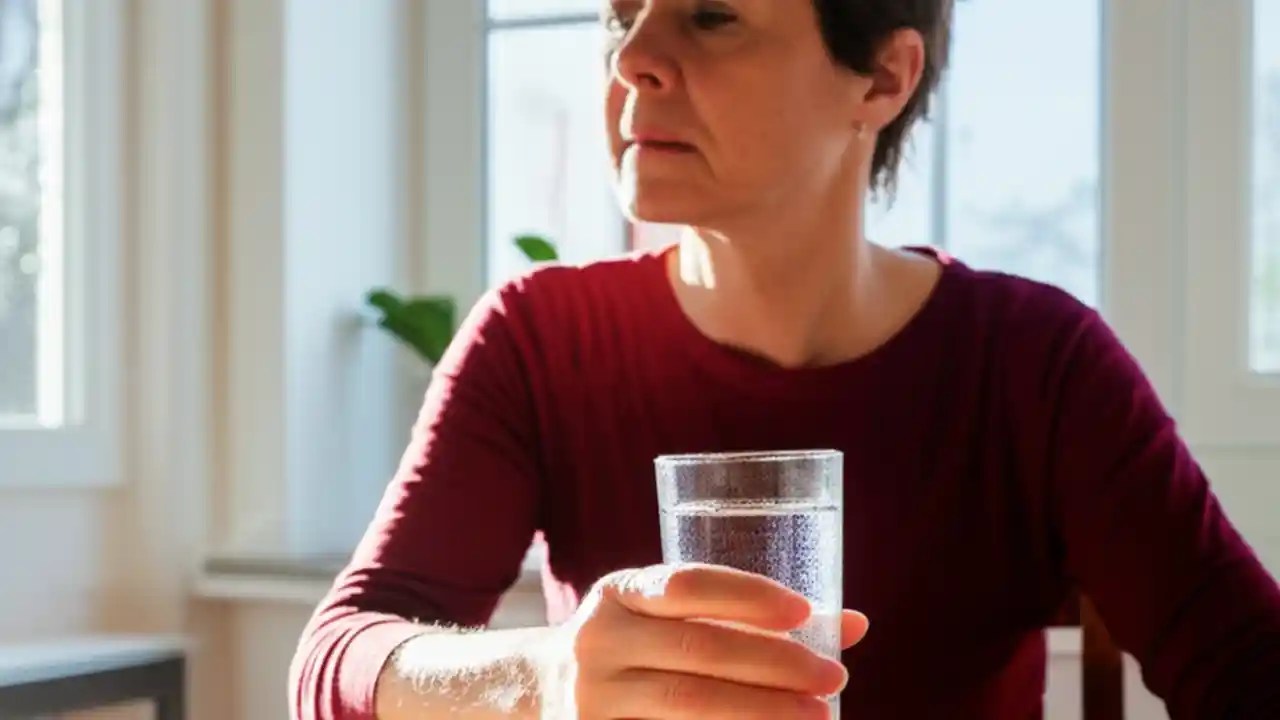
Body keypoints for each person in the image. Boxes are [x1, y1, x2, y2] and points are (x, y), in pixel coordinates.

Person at [290, 0, 1280, 717]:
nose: (631, 56)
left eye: (709, 16)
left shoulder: (1034, 362)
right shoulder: (541, 338)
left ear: (882, 78)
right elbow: (338, 656)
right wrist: (542, 678)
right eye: (620, 14)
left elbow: (1244, 664)